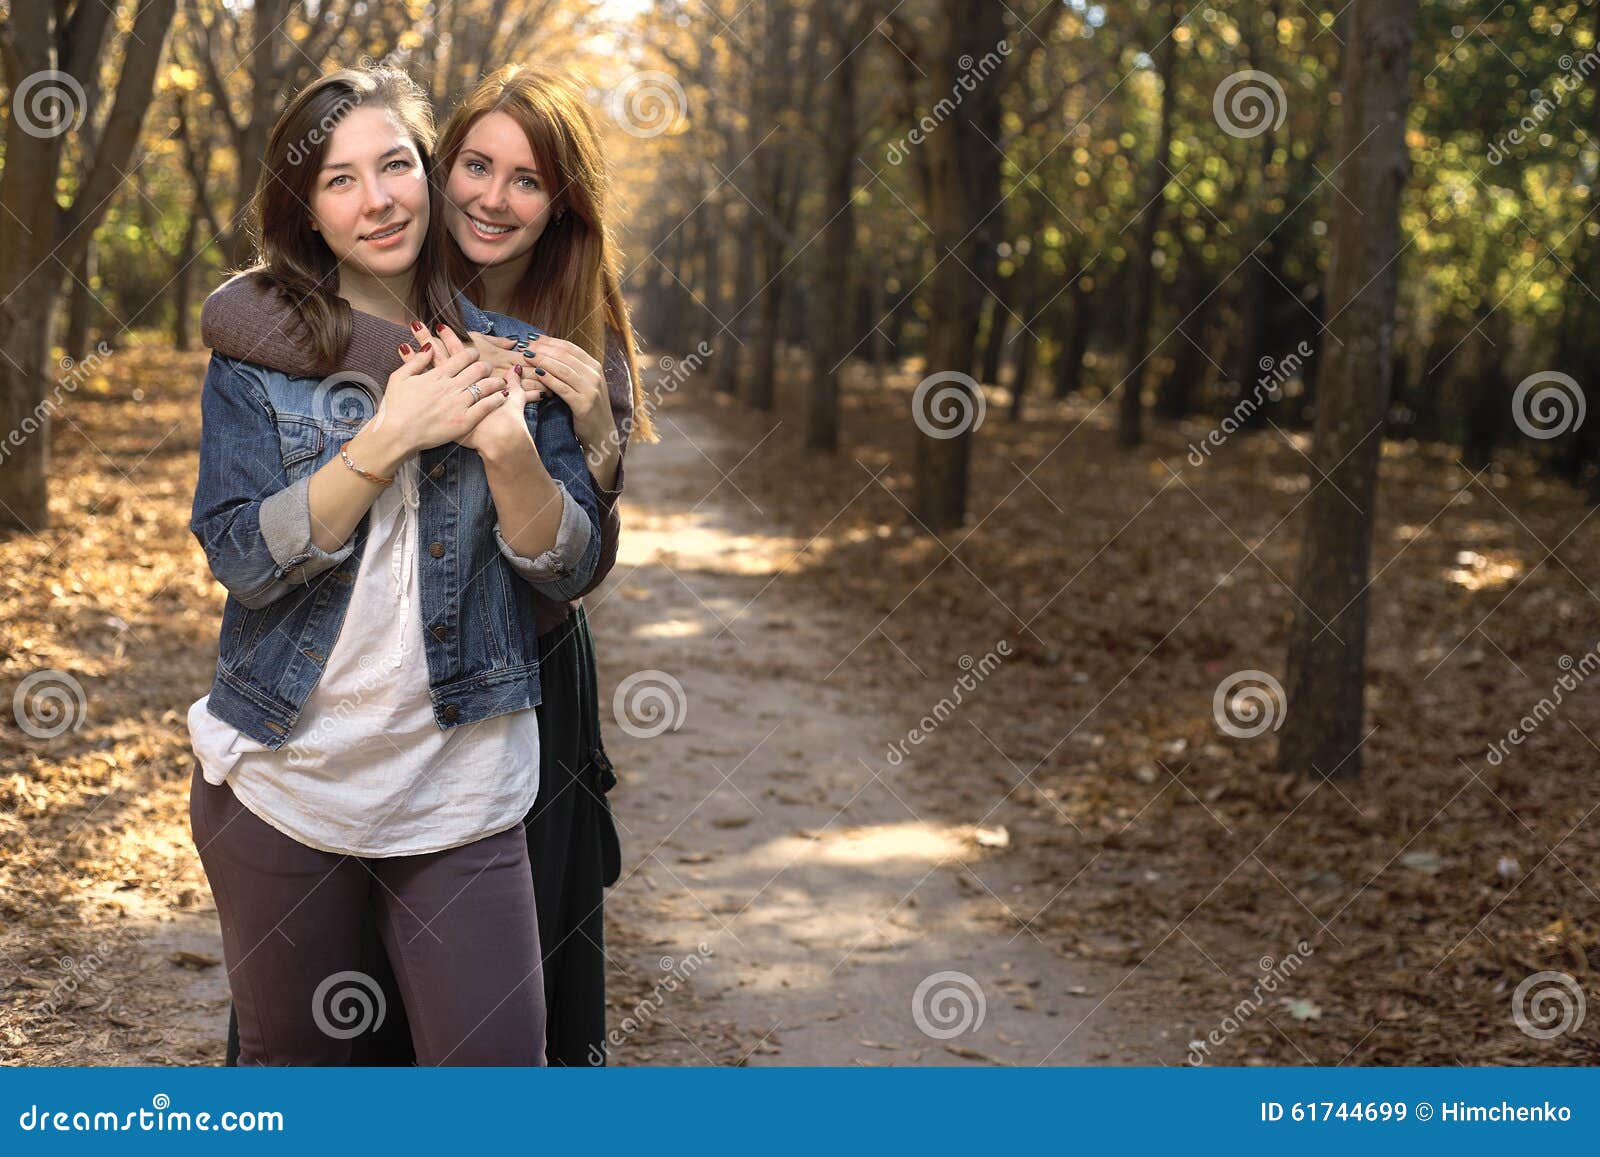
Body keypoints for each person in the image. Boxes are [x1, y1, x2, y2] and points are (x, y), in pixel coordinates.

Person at [200, 64, 653, 1065]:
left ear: (563, 205)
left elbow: (579, 556)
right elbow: (244, 322)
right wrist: (408, 394)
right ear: (446, 174)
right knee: (315, 1045)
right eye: (476, 167)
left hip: (502, 685)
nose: (495, 198)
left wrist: (576, 434)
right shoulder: (296, 318)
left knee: (498, 1021)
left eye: (528, 181)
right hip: (301, 746)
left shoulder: (565, 337)